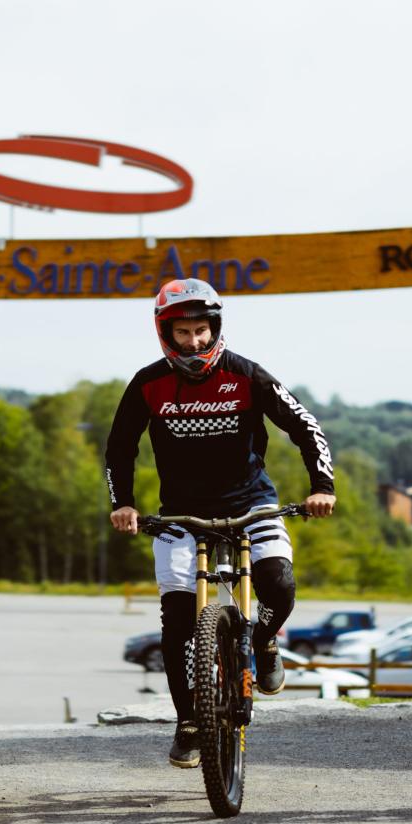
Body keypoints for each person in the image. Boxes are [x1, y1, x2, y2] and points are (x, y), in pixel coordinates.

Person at [105, 278, 336, 768]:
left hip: (252, 505)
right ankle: (189, 722)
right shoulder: (148, 384)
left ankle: (264, 641)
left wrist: (322, 487)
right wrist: (123, 503)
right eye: (183, 332)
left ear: (215, 328)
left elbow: (305, 426)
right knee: (178, 619)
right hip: (181, 516)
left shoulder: (246, 374)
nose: (194, 342)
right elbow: (119, 449)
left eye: (202, 331)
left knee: (279, 584)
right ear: (166, 333)